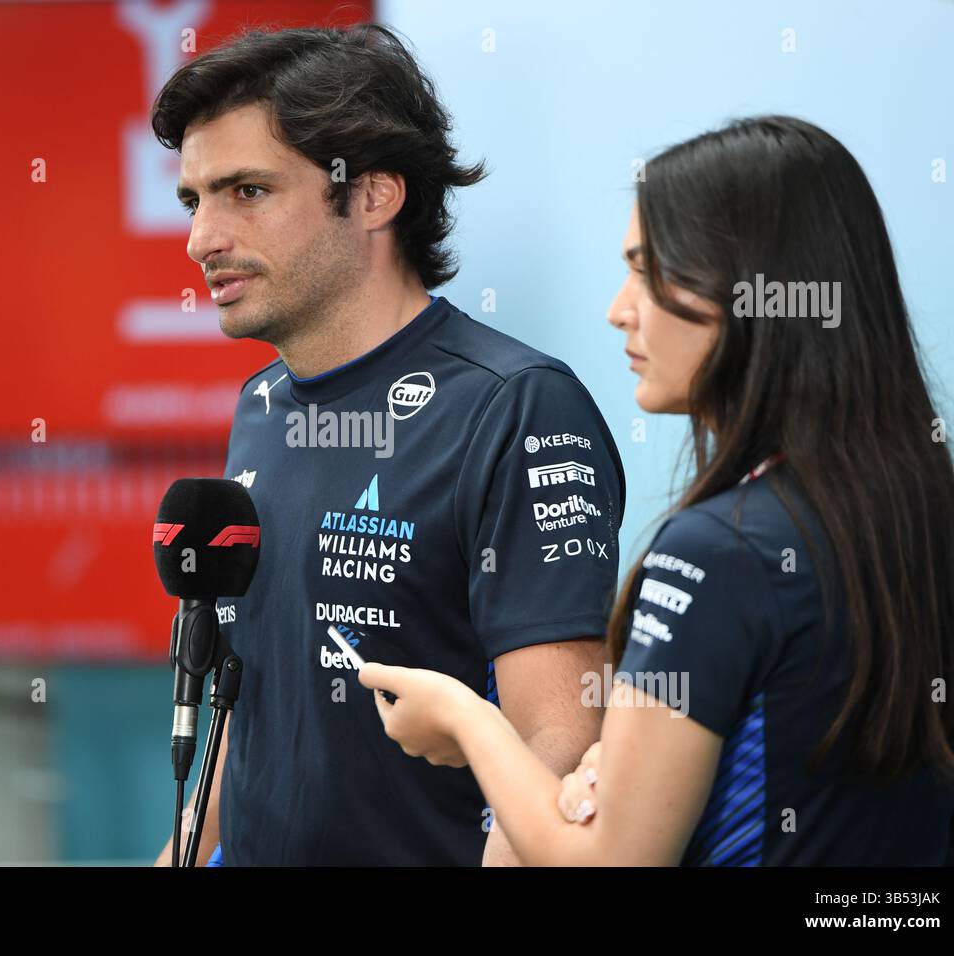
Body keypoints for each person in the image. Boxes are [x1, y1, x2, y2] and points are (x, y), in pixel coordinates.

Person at [360, 115, 954, 865]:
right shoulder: (914, 522)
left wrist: (471, 722)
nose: (621, 308)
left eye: (650, 271)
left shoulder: (718, 553)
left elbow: (605, 862)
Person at [149, 25, 625, 866]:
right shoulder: (260, 405)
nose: (202, 239)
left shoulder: (516, 408)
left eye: (247, 191)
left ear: (374, 196)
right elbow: (250, 708)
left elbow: (560, 747)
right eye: (195, 200)